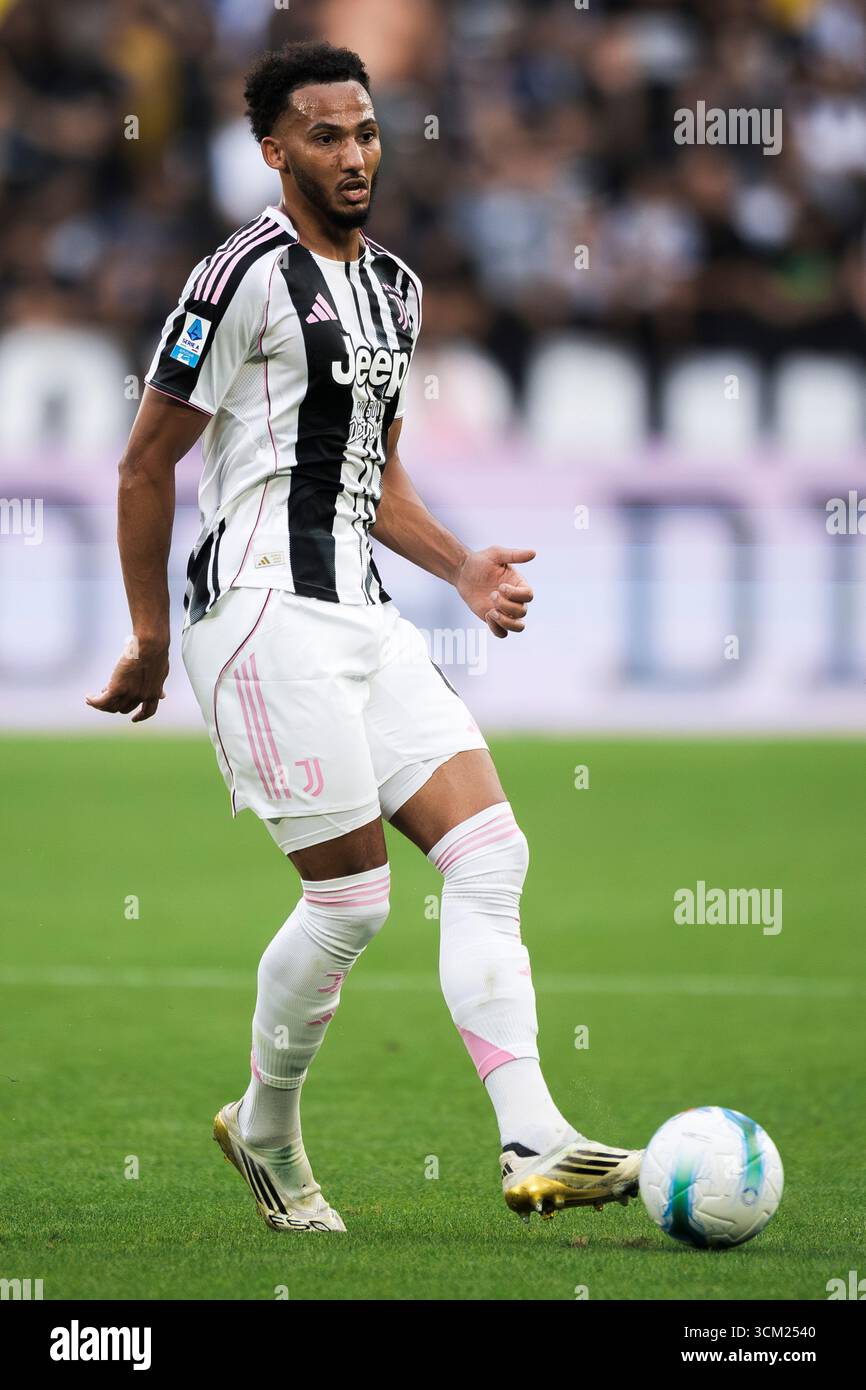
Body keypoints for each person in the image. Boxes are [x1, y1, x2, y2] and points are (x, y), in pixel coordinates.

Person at [88, 40, 641, 1232]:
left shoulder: (395, 287)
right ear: (274, 149)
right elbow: (142, 464)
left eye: (368, 132)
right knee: (352, 906)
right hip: (256, 616)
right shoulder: (233, 277)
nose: (354, 155)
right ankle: (270, 1130)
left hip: (366, 617)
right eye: (327, 136)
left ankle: (532, 1138)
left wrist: (463, 563)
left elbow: (373, 475)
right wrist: (144, 637)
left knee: (490, 854)